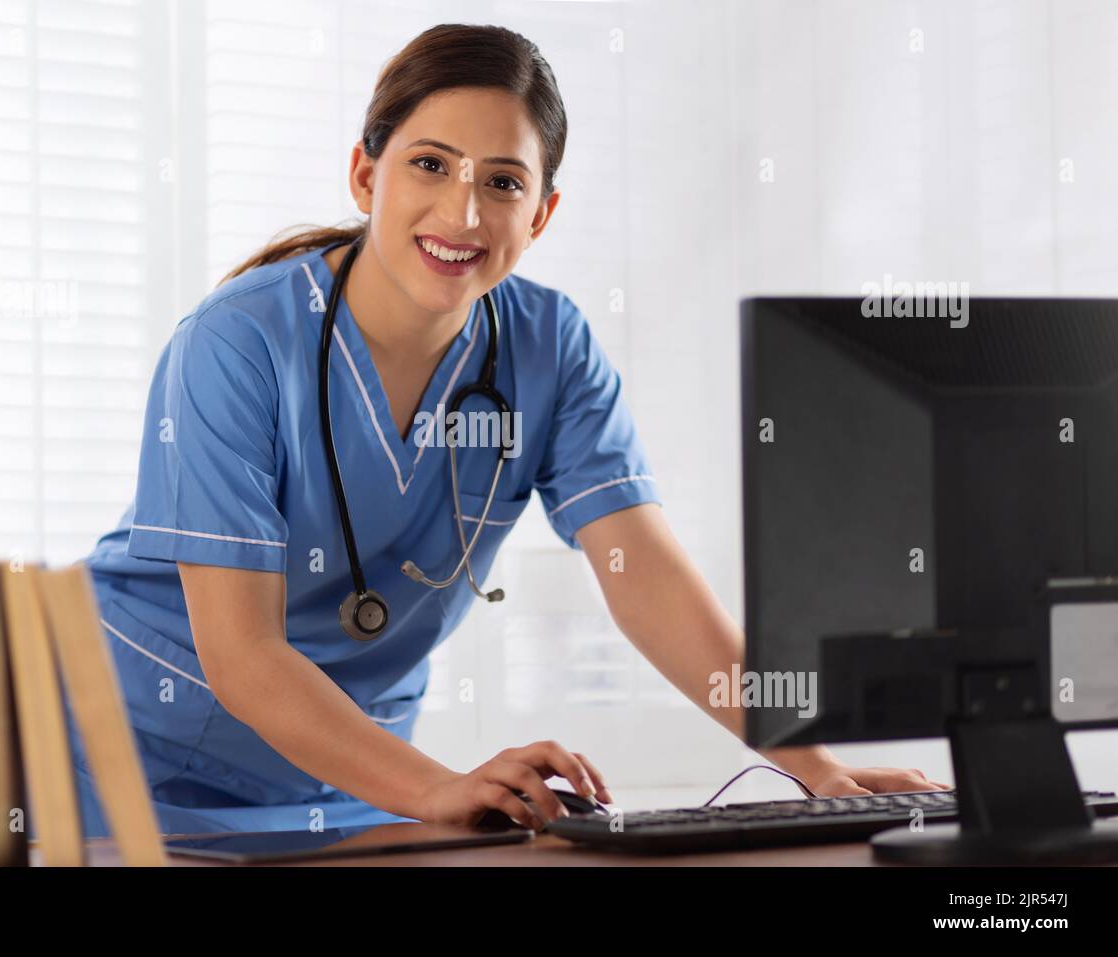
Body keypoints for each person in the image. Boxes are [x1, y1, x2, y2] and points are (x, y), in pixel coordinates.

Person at [67, 22, 946, 838]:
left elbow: (647, 579)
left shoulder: (550, 347)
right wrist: (430, 787)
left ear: (542, 214)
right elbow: (243, 651)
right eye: (431, 165)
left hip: (339, 781)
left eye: (502, 181)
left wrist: (815, 765)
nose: (465, 214)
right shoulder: (237, 341)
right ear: (367, 176)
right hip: (114, 750)